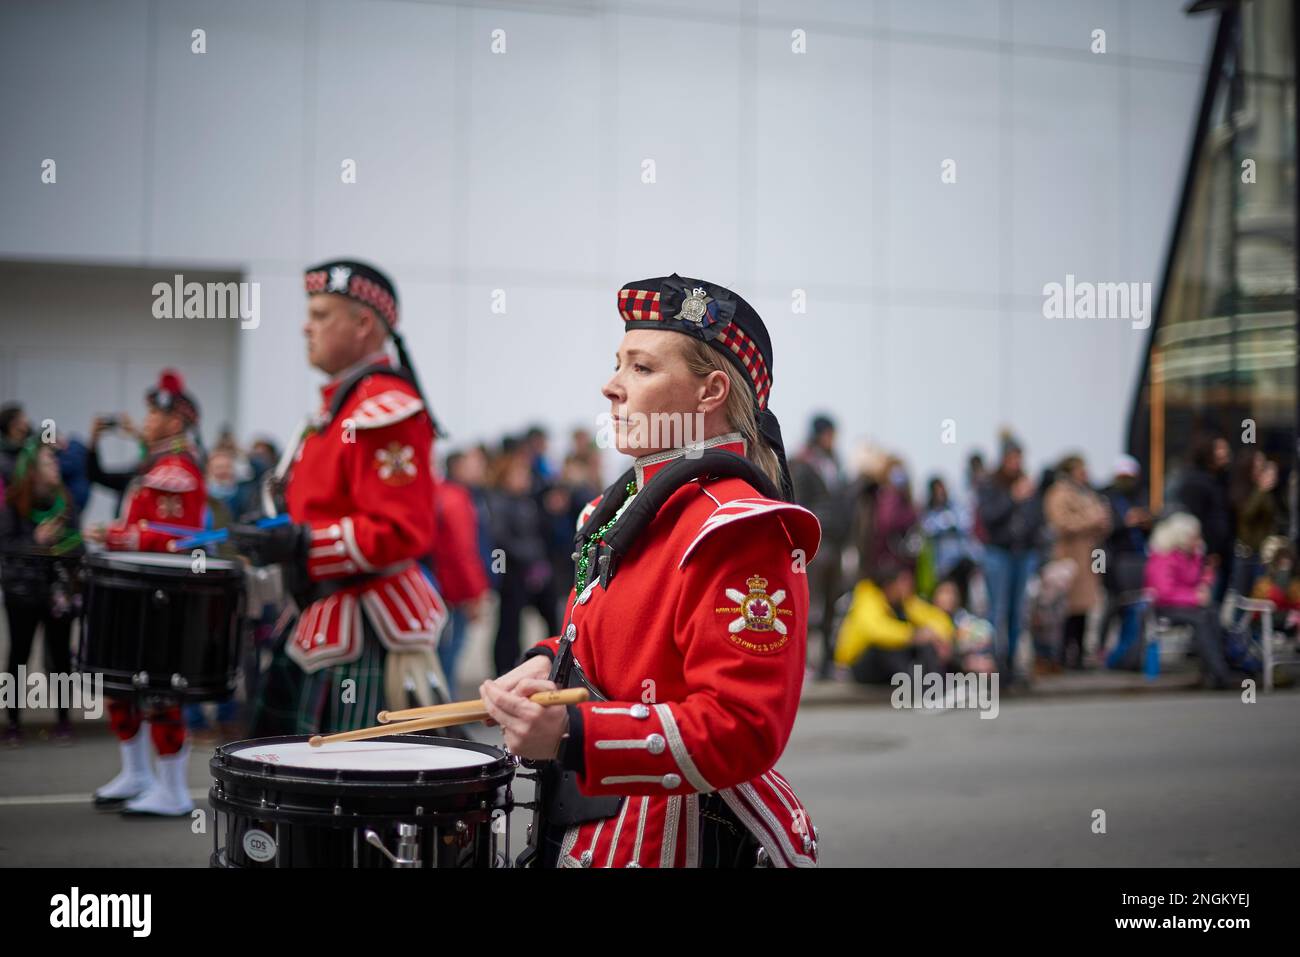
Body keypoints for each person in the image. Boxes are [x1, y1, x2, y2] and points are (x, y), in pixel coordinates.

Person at [480, 274, 822, 868]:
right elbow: (598, 643)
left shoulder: (738, 526)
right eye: (619, 364)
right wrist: (544, 661)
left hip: (673, 841)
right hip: (587, 822)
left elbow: (742, 727)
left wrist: (573, 734)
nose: (611, 387)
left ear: (709, 392)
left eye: (641, 368)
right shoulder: (621, 509)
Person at [235, 260, 448, 736]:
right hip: (320, 620)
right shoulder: (337, 407)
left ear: (363, 323)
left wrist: (302, 542)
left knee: (350, 793)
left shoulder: (385, 410)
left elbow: (401, 531)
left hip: (365, 630)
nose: (305, 326)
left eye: (321, 313)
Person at [86, 369, 207, 815]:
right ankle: (138, 773)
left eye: (155, 412)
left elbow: (181, 537)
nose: (146, 419)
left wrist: (119, 536)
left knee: (158, 689)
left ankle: (173, 789)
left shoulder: (176, 469)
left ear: (176, 421)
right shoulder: (155, 462)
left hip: (163, 598)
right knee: (122, 684)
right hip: (140, 595)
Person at [0, 442, 83, 745]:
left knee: (60, 656)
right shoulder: (13, 503)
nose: (56, 467)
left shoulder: (66, 502)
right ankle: (13, 722)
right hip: (22, 590)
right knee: (19, 656)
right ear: (32, 471)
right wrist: (36, 541)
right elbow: (6, 546)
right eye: (49, 462)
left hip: (57, 591)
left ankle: (63, 720)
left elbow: (79, 545)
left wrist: (64, 543)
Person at [977, 433, 1041, 683]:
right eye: (1012, 457)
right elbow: (989, 517)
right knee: (997, 610)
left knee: (1018, 612)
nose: (1016, 462)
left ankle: (1013, 663)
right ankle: (995, 662)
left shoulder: (1027, 483)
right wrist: (1013, 498)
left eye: (1019, 457)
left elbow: (1037, 517)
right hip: (998, 553)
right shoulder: (992, 484)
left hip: (1022, 553)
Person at [1144, 512, 1234, 689]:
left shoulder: (1193, 555)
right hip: (1165, 607)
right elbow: (1164, 592)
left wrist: (1207, 576)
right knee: (1201, 619)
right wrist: (1194, 597)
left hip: (1187, 605)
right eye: (1195, 536)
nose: (1199, 540)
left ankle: (1212, 669)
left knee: (1213, 613)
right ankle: (1219, 672)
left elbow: (1198, 581)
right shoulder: (1163, 556)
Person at [790, 414, 849, 679]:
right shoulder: (802, 463)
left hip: (834, 545)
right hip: (815, 546)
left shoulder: (834, 463)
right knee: (810, 606)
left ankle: (825, 663)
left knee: (830, 607)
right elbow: (799, 504)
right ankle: (804, 664)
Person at [1043, 454, 1112, 669]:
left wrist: (1100, 521)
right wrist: (1091, 520)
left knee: (1086, 607)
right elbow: (1060, 523)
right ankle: (1063, 656)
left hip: (1090, 555)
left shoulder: (1089, 493)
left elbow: (1104, 521)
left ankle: (1080, 655)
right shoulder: (1059, 493)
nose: (1086, 474)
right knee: (1067, 609)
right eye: (1081, 470)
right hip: (1070, 558)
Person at [833, 562, 954, 684]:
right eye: (904, 582)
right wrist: (913, 635)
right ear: (890, 584)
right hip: (857, 666)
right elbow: (876, 631)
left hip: (885, 670)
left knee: (927, 641)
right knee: (886, 646)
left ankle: (936, 685)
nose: (909, 586)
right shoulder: (867, 596)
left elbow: (935, 617)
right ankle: (914, 686)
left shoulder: (906, 602)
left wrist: (940, 637)